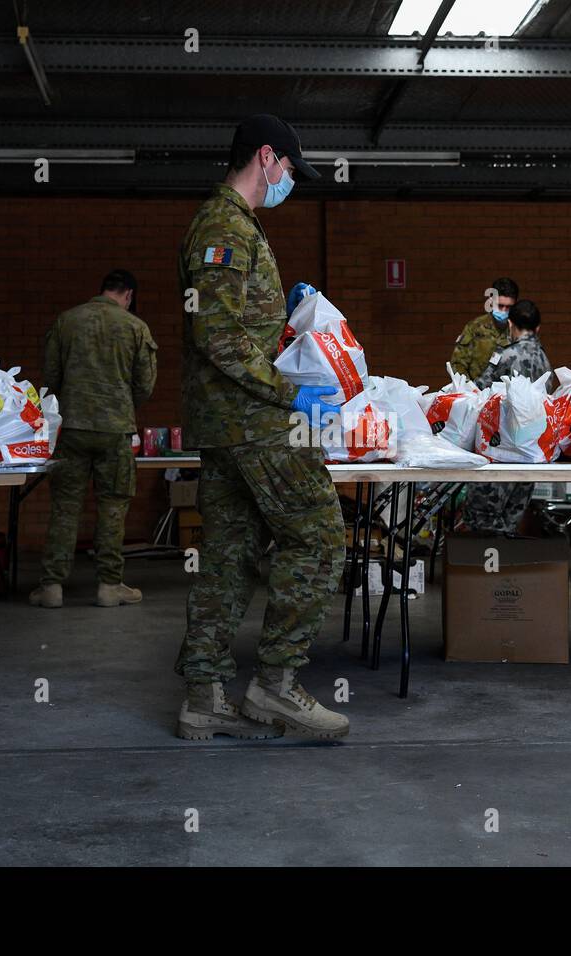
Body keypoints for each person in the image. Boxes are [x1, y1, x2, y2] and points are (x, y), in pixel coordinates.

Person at [173, 114, 349, 741]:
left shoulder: (232, 225)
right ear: (267, 158)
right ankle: (275, 686)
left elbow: (232, 329)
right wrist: (291, 389)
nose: (289, 183)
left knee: (229, 554)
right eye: (289, 171)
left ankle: (203, 696)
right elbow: (217, 336)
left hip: (227, 426)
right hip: (253, 422)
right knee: (322, 537)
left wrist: (287, 323)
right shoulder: (224, 226)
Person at [30, 270, 157, 610]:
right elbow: (145, 384)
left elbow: (51, 375)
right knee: (113, 506)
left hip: (71, 428)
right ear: (128, 294)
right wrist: (121, 405)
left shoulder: (66, 321)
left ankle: (52, 587)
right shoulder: (135, 327)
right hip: (115, 431)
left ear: (103, 290)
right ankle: (109, 586)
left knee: (65, 507)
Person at [461, 299, 552, 534]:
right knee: (510, 521)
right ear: (538, 328)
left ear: (511, 324)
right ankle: (503, 567)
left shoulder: (504, 356)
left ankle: (485, 568)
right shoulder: (545, 361)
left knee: (482, 518)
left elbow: (478, 390)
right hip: (531, 455)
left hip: (501, 451)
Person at [449, 277, 518, 382]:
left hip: (509, 394)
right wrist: (470, 388)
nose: (504, 311)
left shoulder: (519, 329)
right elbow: (458, 363)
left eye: (509, 307)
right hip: (478, 393)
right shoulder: (475, 328)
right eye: (500, 305)